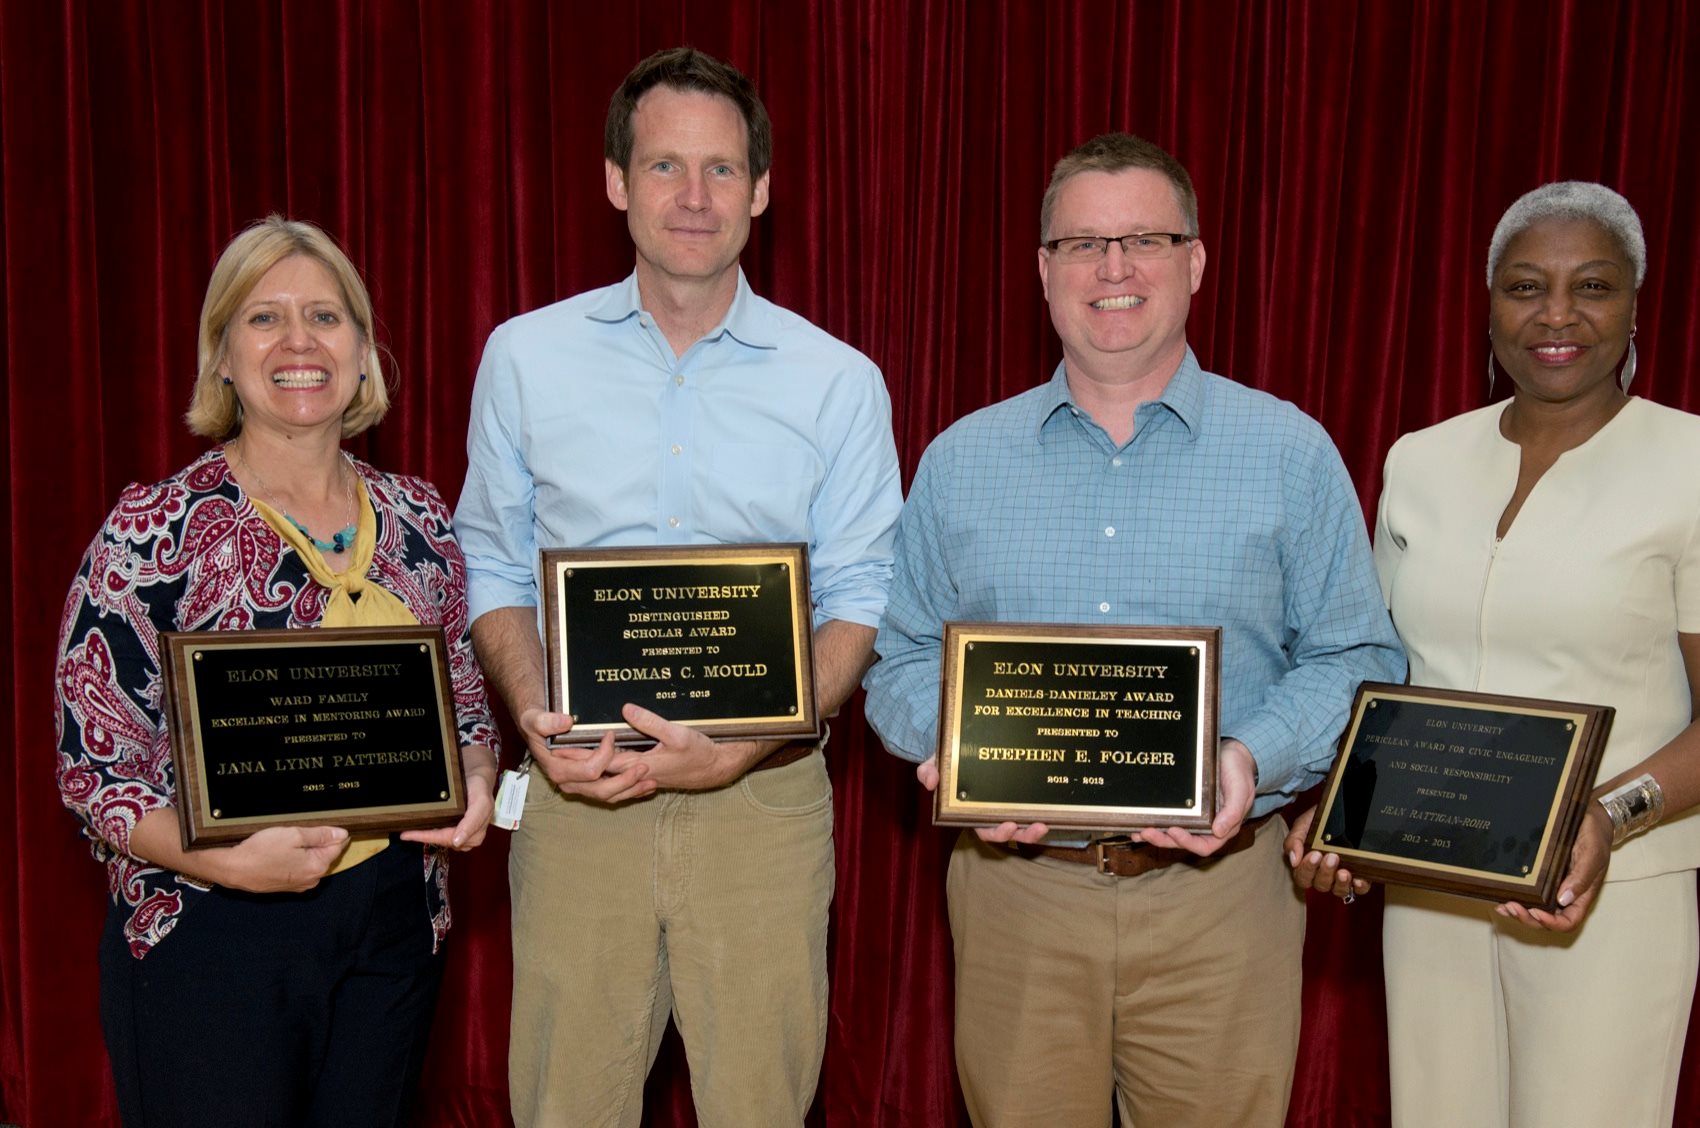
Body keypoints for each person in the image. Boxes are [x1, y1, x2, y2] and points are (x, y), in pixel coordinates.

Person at [861, 131, 1405, 1127]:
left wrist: (1249, 759)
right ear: (1042, 270)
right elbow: (896, 658)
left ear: (1194, 261)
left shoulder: (1287, 452)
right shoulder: (958, 460)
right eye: (1080, 245)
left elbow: (1356, 656)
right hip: (1015, 894)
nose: (1112, 270)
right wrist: (956, 743)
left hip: (1222, 905)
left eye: (1143, 240)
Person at [455, 47, 901, 1127]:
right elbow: (494, 560)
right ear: (616, 181)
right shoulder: (524, 357)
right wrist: (531, 715)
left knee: (760, 1100)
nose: (691, 198)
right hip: (577, 792)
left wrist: (744, 745)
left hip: (764, 802)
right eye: (663, 167)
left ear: (759, 189)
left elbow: (863, 593)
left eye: (718, 170)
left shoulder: (836, 380)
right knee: (566, 1101)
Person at [52, 215, 500, 1127]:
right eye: (264, 319)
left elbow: (464, 707)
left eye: (326, 318)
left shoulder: (419, 519)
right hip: (211, 927)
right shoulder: (152, 533)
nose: (299, 342)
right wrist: (226, 860)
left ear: (365, 353)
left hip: (391, 927)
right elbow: (92, 770)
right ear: (222, 356)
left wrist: (481, 780)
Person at [1287, 181, 1700, 1127]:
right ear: (1488, 304)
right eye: (1525, 286)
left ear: (1636, 302)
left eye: (1591, 286)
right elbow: (1382, 674)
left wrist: (1606, 816)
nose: (1557, 315)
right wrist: (1341, 809)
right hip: (1433, 881)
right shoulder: (1420, 461)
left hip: (1608, 889)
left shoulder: (1691, 465)